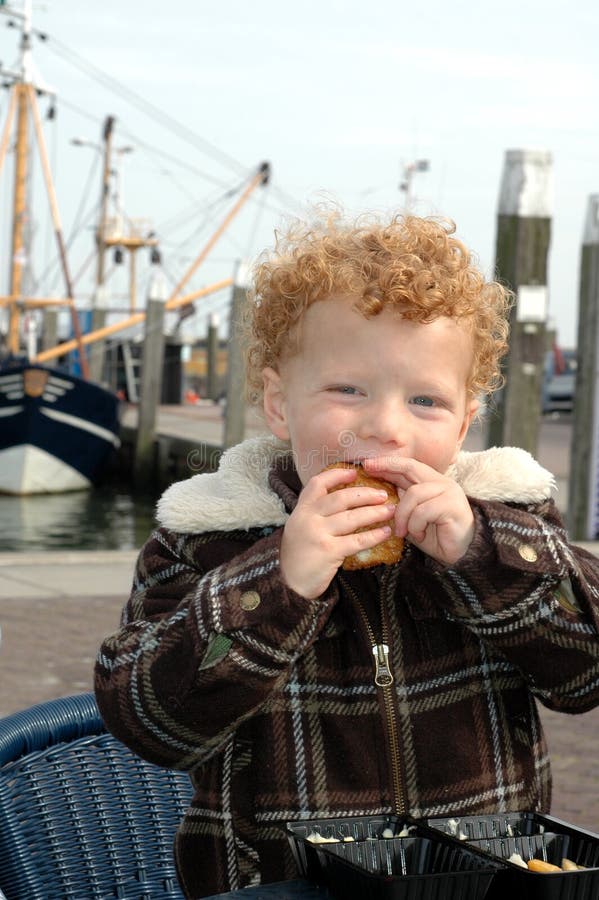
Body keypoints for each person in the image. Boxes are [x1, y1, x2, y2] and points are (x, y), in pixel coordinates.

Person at [95, 210, 599, 899]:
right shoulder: (206, 537)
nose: (385, 426)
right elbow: (150, 724)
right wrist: (277, 582)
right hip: (279, 885)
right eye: (346, 389)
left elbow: (583, 678)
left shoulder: (511, 520)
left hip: (477, 880)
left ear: (464, 422)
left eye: (424, 400)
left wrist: (481, 553)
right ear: (280, 404)